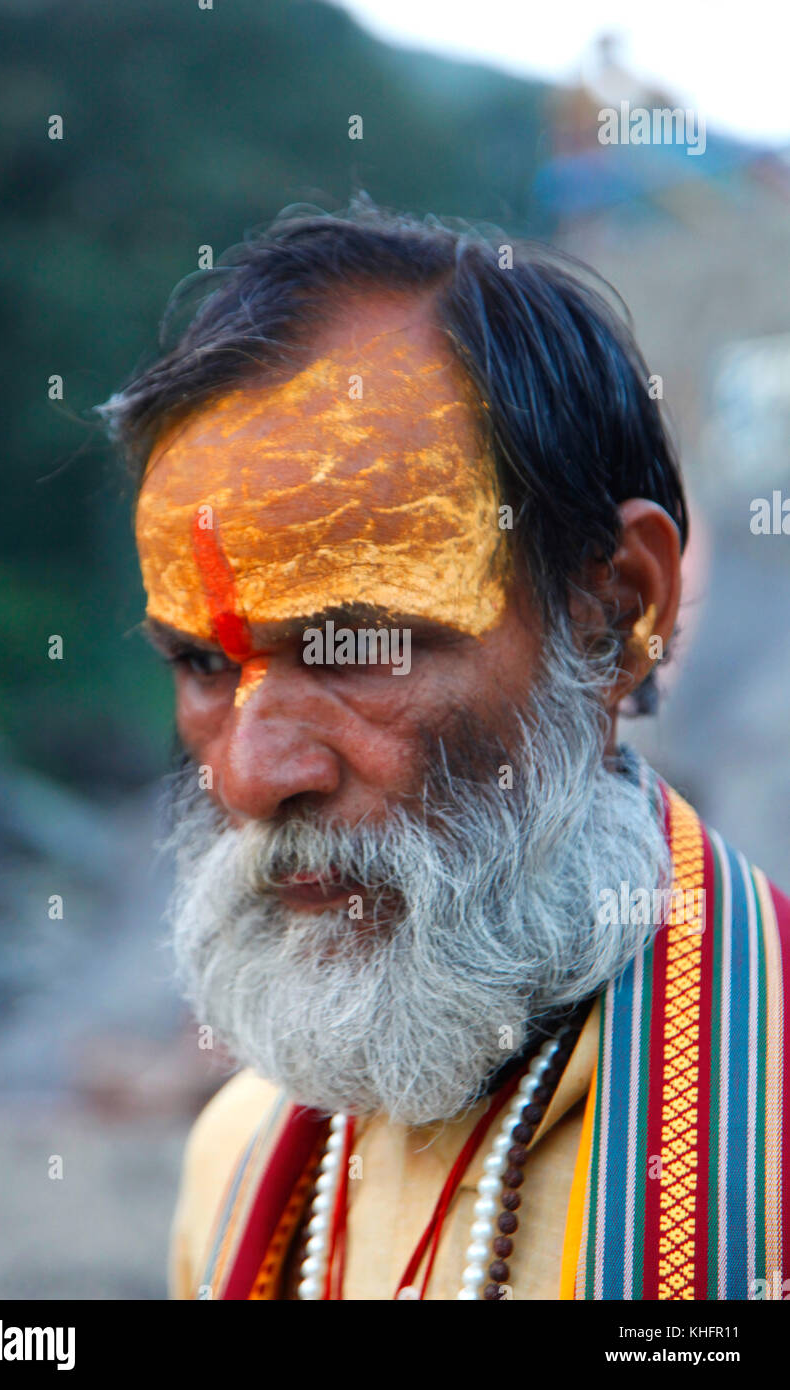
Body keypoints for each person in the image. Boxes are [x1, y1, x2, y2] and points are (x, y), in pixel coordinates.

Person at [98, 203, 790, 1301]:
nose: (247, 771)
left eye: (356, 645)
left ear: (613, 615)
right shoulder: (235, 1165)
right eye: (201, 664)